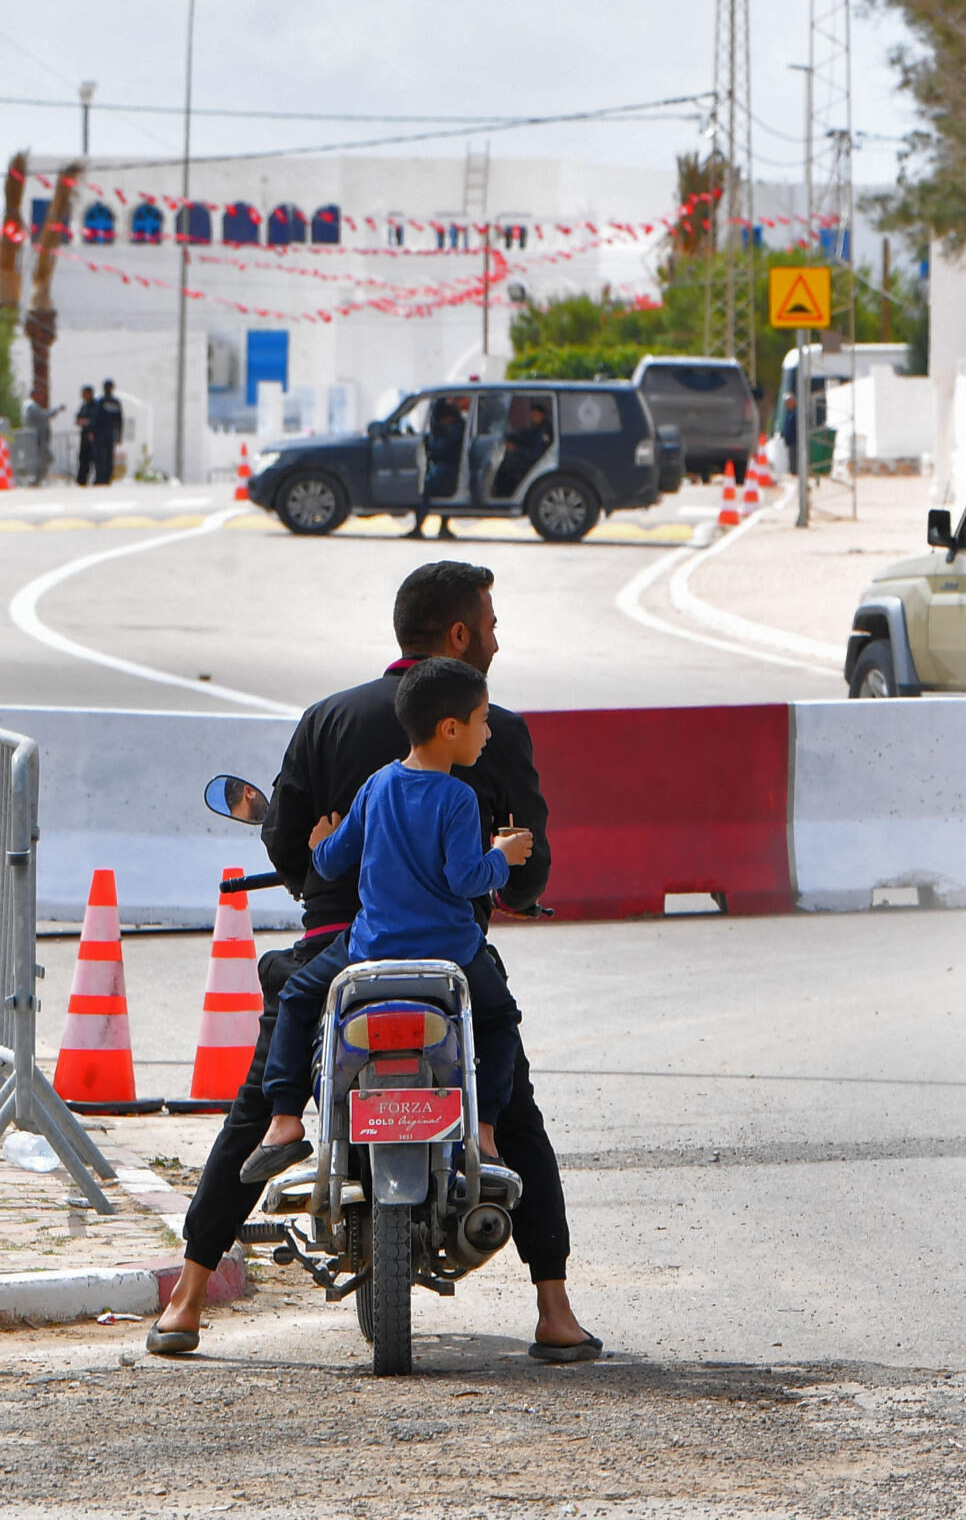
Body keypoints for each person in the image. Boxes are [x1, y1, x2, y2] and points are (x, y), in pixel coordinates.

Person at [151, 562, 595, 1364]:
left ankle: (185, 1300)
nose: (498, 637)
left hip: (343, 952)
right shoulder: (490, 731)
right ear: (459, 636)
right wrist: (506, 874)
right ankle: (554, 1310)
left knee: (257, 1102)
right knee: (512, 1101)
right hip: (448, 963)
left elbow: (298, 849)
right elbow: (526, 873)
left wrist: (327, 872)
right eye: (490, 623)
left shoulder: (326, 720)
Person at [240, 656, 534, 1183]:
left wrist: (318, 842)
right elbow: (466, 879)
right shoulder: (459, 798)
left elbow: (330, 863)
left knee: (300, 998)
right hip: (451, 952)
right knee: (497, 1020)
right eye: (482, 720)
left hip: (370, 947)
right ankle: (485, 1131)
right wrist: (504, 857)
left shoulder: (376, 786)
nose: (488, 733)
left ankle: (284, 1121)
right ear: (450, 729)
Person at [408, 395, 468, 541]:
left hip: (449, 468)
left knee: (424, 487)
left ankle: (419, 527)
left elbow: (440, 449)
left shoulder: (456, 428)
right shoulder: (451, 427)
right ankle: (442, 528)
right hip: (447, 468)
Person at [490, 396, 553, 500]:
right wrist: (509, 437)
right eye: (532, 415)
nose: (533, 417)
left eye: (536, 415)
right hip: (528, 455)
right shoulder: (537, 427)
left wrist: (516, 449)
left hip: (534, 461)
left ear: (542, 415)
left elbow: (536, 454)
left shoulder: (545, 430)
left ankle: (504, 495)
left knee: (506, 465)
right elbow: (526, 436)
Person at [93, 380, 125, 486]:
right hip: (106, 433)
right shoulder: (104, 401)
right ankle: (104, 478)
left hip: (104, 433)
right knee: (105, 456)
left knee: (104, 456)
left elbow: (119, 419)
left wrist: (119, 435)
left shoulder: (103, 401)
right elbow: (119, 420)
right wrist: (119, 435)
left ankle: (103, 478)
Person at [71, 385, 101, 486]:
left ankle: (99, 479)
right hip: (84, 436)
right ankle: (81, 480)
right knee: (83, 458)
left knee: (95, 459)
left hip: (94, 436)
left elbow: (96, 420)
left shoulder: (96, 405)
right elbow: (78, 419)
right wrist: (83, 421)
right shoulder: (84, 405)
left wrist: (87, 423)